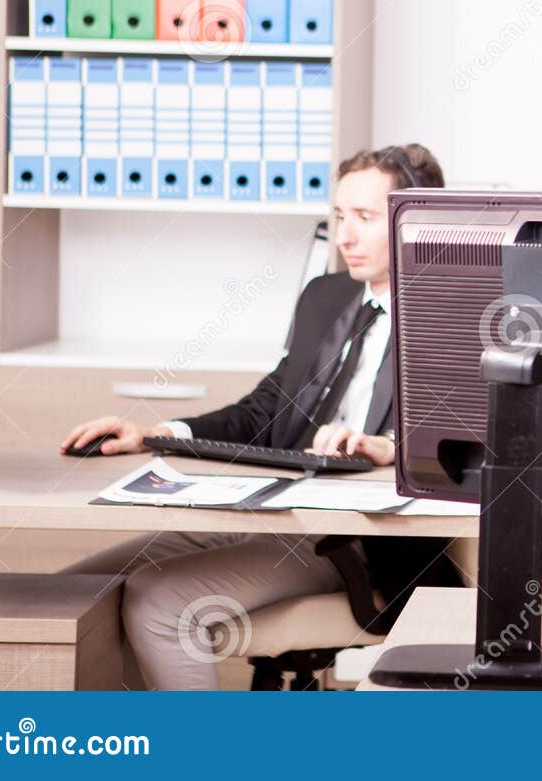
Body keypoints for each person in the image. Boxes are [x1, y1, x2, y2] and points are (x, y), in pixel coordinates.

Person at [60, 143, 461, 689]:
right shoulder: (326, 297)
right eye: (340, 216)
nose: (344, 236)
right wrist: (156, 436)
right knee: (77, 589)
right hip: (264, 513)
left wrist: (392, 448)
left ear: (417, 223)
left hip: (347, 540)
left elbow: (476, 439)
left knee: (158, 601)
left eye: (364, 218)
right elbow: (265, 407)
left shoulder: (452, 314)